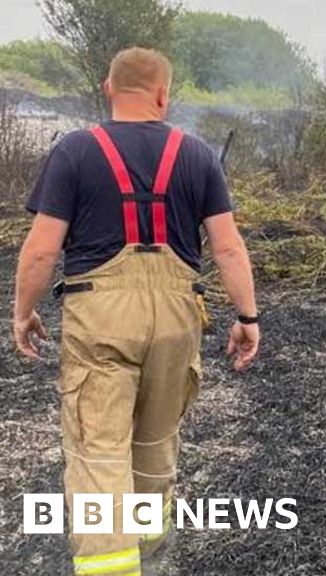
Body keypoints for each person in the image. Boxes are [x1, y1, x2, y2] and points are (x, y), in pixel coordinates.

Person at [12, 47, 259, 575]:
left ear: (108, 88)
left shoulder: (74, 151)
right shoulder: (197, 155)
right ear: (163, 95)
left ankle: (113, 567)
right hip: (176, 318)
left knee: (99, 454)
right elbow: (228, 247)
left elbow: (40, 251)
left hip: (100, 318)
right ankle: (153, 554)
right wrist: (247, 317)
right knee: (154, 444)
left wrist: (22, 312)